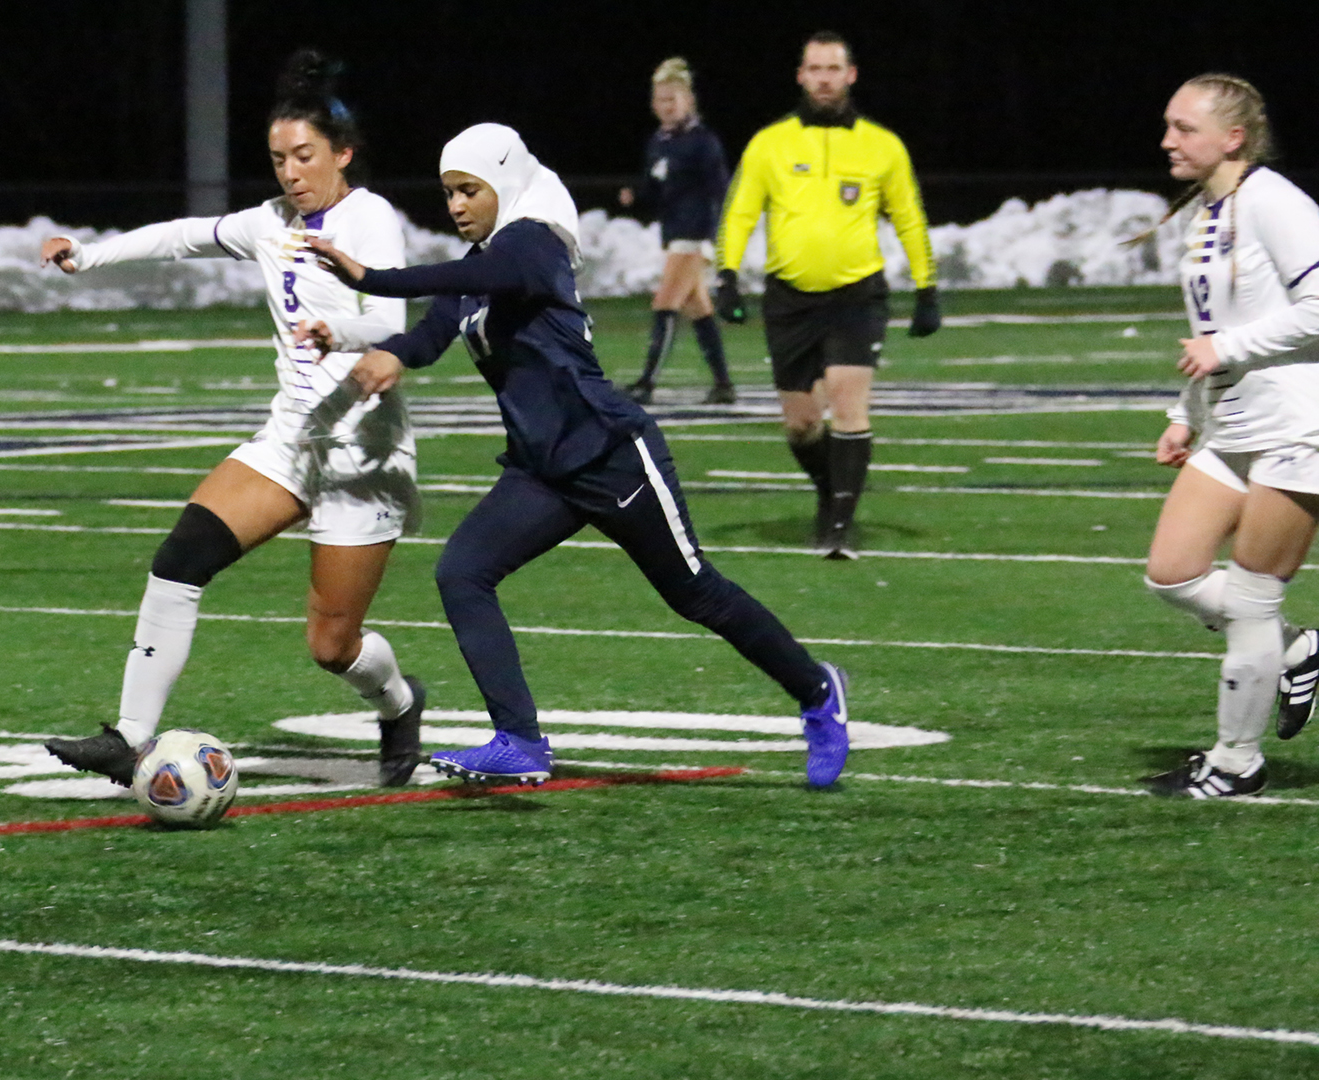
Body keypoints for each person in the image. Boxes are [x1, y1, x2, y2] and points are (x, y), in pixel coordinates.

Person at [308, 123, 851, 788]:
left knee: (696, 593)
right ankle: (520, 739)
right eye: (448, 192)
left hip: (608, 454)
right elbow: (431, 334)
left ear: (503, 184)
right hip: (543, 470)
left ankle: (818, 692)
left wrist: (373, 276)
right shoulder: (479, 262)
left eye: (468, 189)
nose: (455, 205)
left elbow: (483, 274)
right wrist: (381, 351)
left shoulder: (531, 243)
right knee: (463, 572)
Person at [38, 50, 426, 788]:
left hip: (362, 456)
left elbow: (388, 315)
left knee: (331, 645)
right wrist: (84, 256)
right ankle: (128, 737)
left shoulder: (369, 218)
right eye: (278, 157)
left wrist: (341, 336)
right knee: (180, 560)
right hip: (290, 442)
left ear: (342, 155)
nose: (290, 172)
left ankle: (399, 704)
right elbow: (182, 234)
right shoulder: (271, 223)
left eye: (304, 156)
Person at [1139, 74, 1319, 798]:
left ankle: (1236, 762)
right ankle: (1297, 649)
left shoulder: (1274, 201)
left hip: (1301, 422)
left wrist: (1229, 350)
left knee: (1248, 602)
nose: (1167, 141)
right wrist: (1186, 414)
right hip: (1232, 423)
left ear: (1233, 138)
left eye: (1183, 128)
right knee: (1172, 572)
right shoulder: (1204, 214)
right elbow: (1212, 338)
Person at [714, 31, 940, 559]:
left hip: (856, 296)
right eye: (814, 68)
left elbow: (909, 216)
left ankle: (838, 527)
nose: (823, 78)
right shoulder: (770, 143)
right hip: (789, 297)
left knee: (846, 401)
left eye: (833, 68)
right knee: (800, 424)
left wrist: (927, 287)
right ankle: (829, 488)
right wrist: (726, 276)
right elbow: (741, 211)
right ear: (800, 75)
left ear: (851, 75)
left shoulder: (882, 146)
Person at [617, 57, 734, 406]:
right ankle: (724, 385)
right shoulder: (659, 142)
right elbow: (655, 189)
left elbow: (721, 191)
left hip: (696, 236)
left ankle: (647, 383)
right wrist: (635, 194)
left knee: (665, 302)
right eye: (661, 99)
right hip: (675, 235)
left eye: (673, 99)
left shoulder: (703, 142)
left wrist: (717, 238)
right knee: (699, 308)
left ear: (689, 101)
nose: (666, 106)